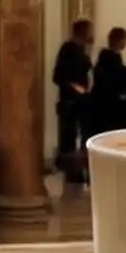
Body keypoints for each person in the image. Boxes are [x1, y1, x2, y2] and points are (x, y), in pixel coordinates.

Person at [53, 19, 93, 182]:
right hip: (71, 101)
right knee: (68, 136)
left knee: (80, 134)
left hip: (81, 100)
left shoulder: (81, 50)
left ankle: (77, 170)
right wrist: (77, 88)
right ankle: (70, 172)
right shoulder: (68, 49)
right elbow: (59, 76)